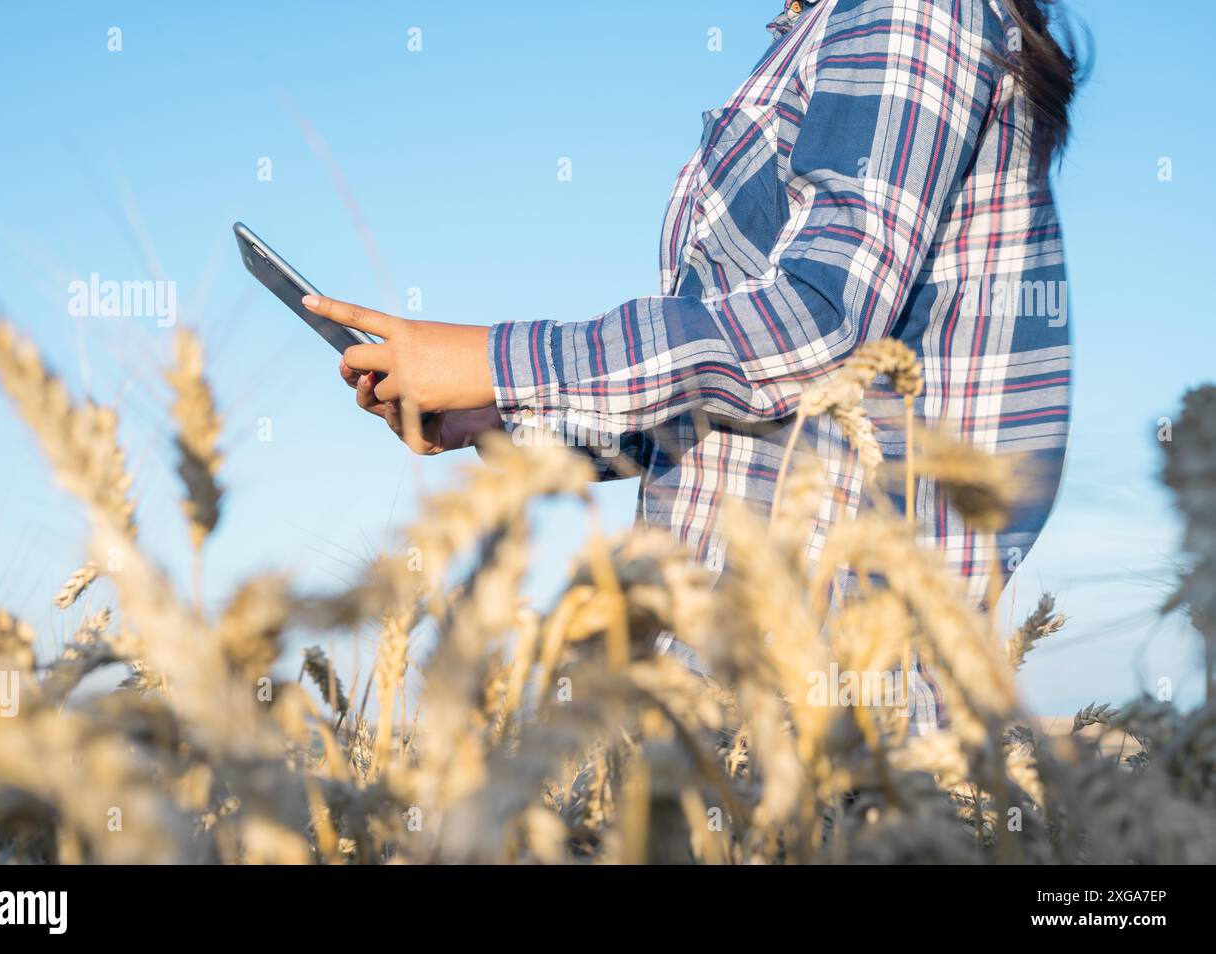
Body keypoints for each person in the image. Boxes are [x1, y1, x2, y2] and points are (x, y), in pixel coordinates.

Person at [302, 0, 1079, 729]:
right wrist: (500, 418)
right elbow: (731, 403)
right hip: (734, 649)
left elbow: (819, 317)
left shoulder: (906, 10)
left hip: (820, 658)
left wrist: (501, 360)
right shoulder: (824, 29)